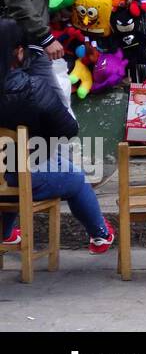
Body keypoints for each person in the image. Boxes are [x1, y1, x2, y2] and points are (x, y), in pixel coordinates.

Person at [0, 18, 115, 253]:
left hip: (7, 172)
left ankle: (6, 234)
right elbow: (68, 129)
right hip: (26, 174)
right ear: (19, 52)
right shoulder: (32, 87)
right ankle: (100, 235)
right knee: (77, 178)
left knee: (14, 166)